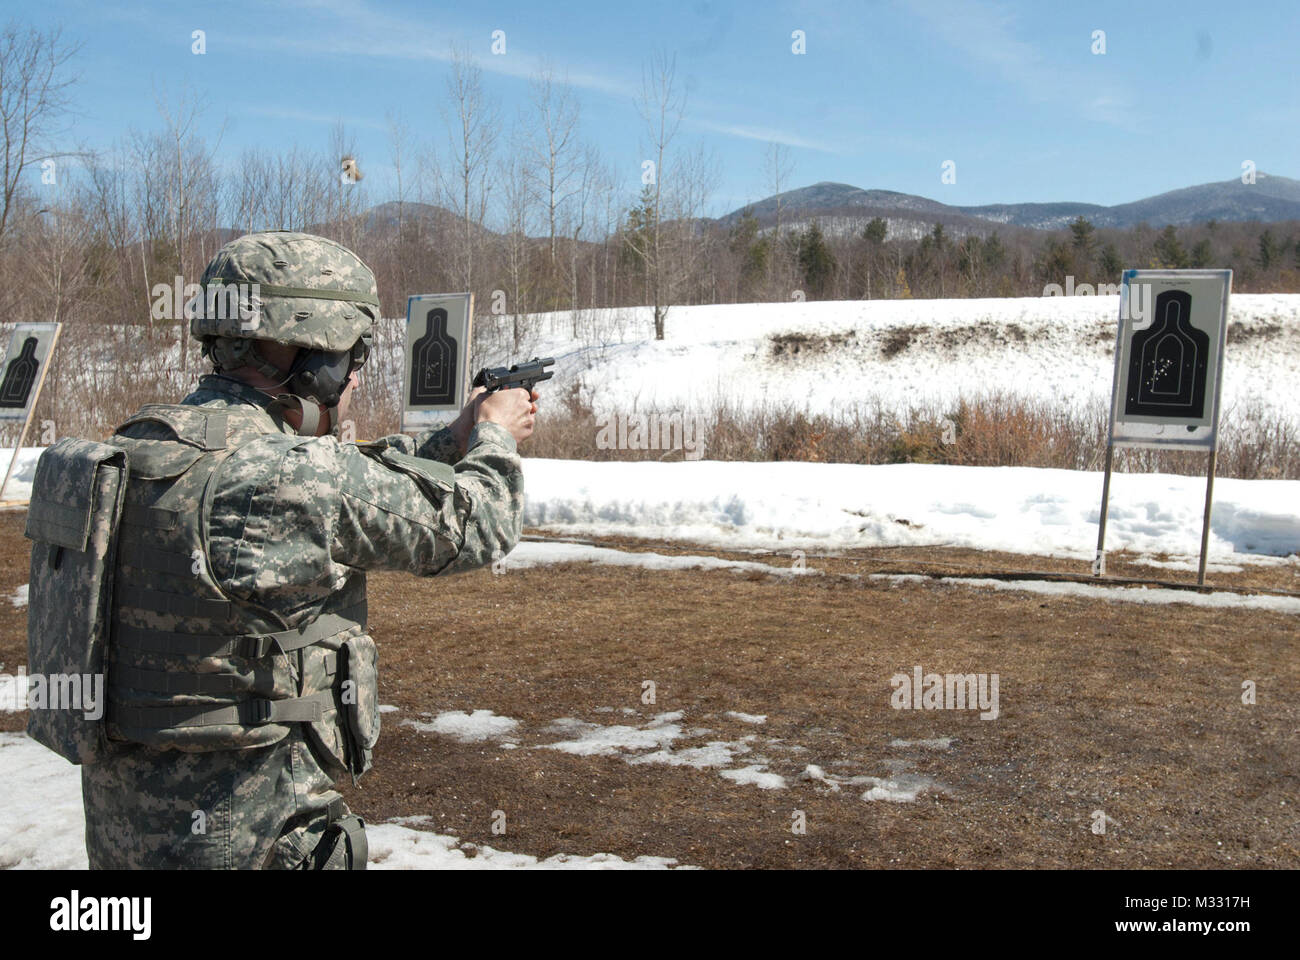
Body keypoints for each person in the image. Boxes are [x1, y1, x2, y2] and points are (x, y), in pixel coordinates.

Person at [79, 230, 536, 869]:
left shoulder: (137, 451)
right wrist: (494, 439)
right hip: (255, 836)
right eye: (352, 359)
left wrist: (451, 438)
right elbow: (478, 524)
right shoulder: (289, 475)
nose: (351, 379)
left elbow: (340, 488)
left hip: (127, 834)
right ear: (313, 358)